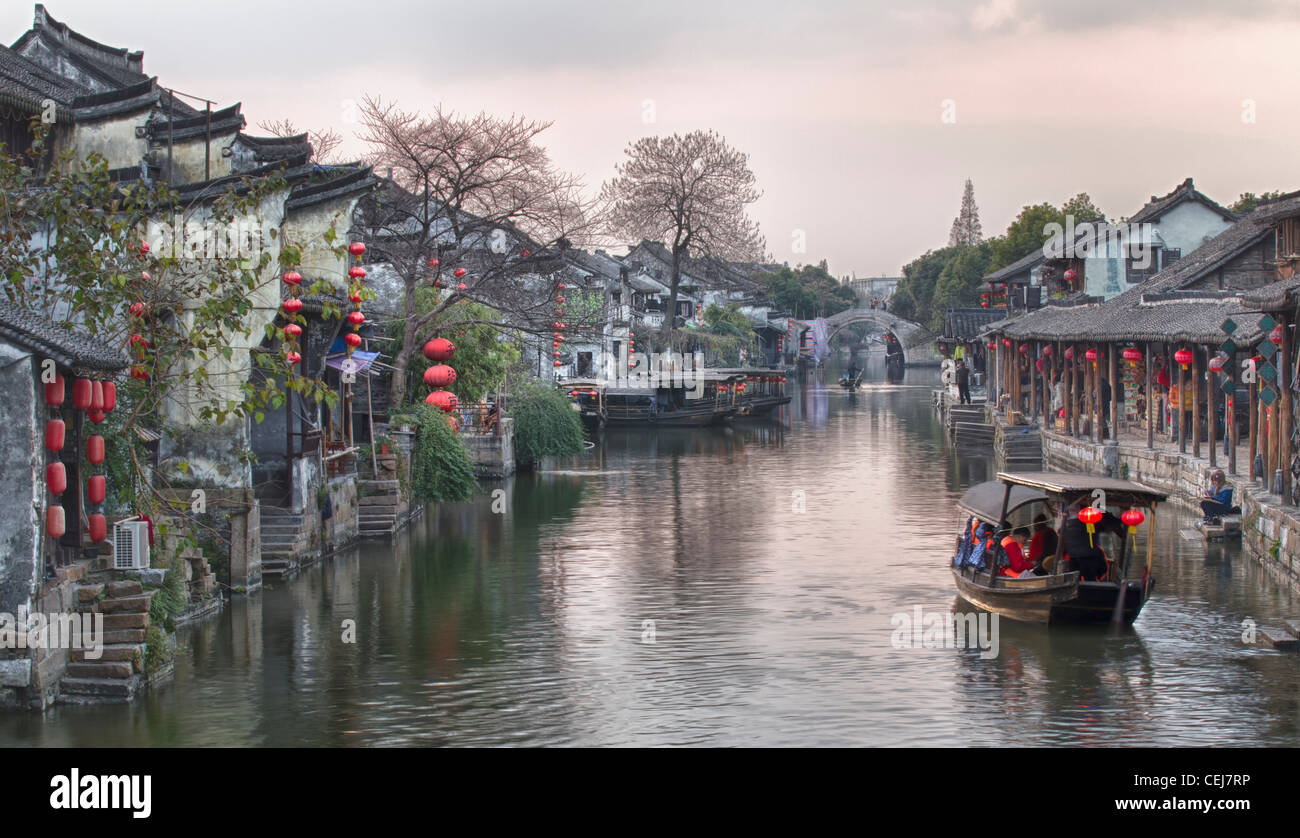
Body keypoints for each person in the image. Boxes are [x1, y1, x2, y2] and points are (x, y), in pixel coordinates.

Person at [1062, 507, 1123, 581]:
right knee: (1090, 580)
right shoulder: (1094, 520)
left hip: (1073, 557)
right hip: (1087, 557)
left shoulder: (1071, 523)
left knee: (1075, 581)